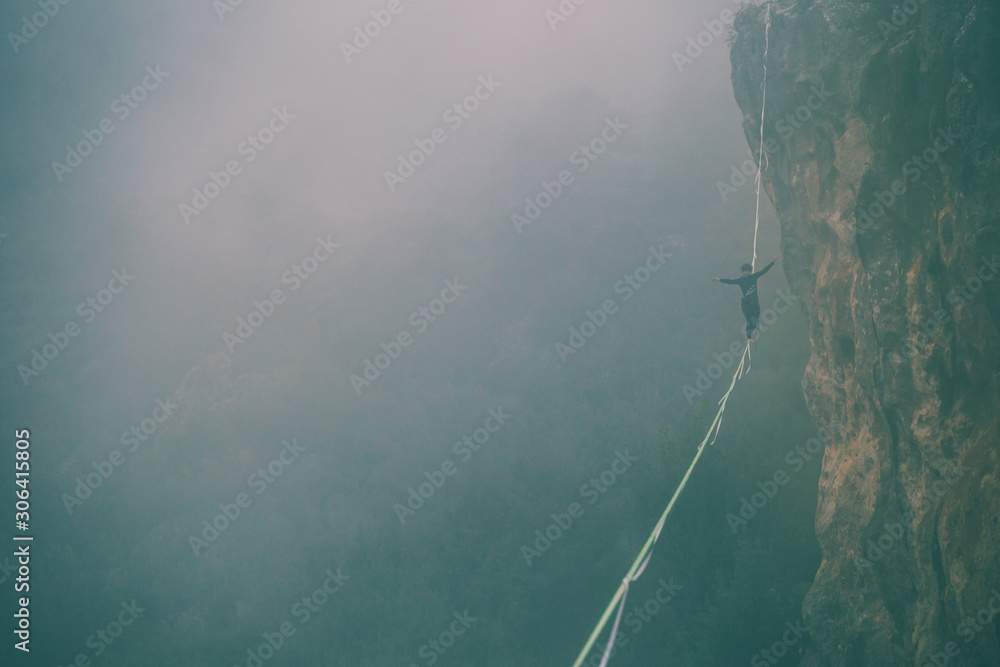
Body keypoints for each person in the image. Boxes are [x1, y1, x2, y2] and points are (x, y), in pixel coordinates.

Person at [713, 256, 778, 342]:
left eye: (748, 271)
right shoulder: (740, 281)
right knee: (749, 320)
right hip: (746, 304)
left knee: (755, 321)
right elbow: (730, 281)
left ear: (750, 271)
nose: (746, 272)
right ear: (743, 272)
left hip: (754, 303)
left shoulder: (754, 277)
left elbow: (764, 271)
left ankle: (748, 336)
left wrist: (772, 263)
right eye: (745, 271)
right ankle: (749, 337)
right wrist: (720, 280)